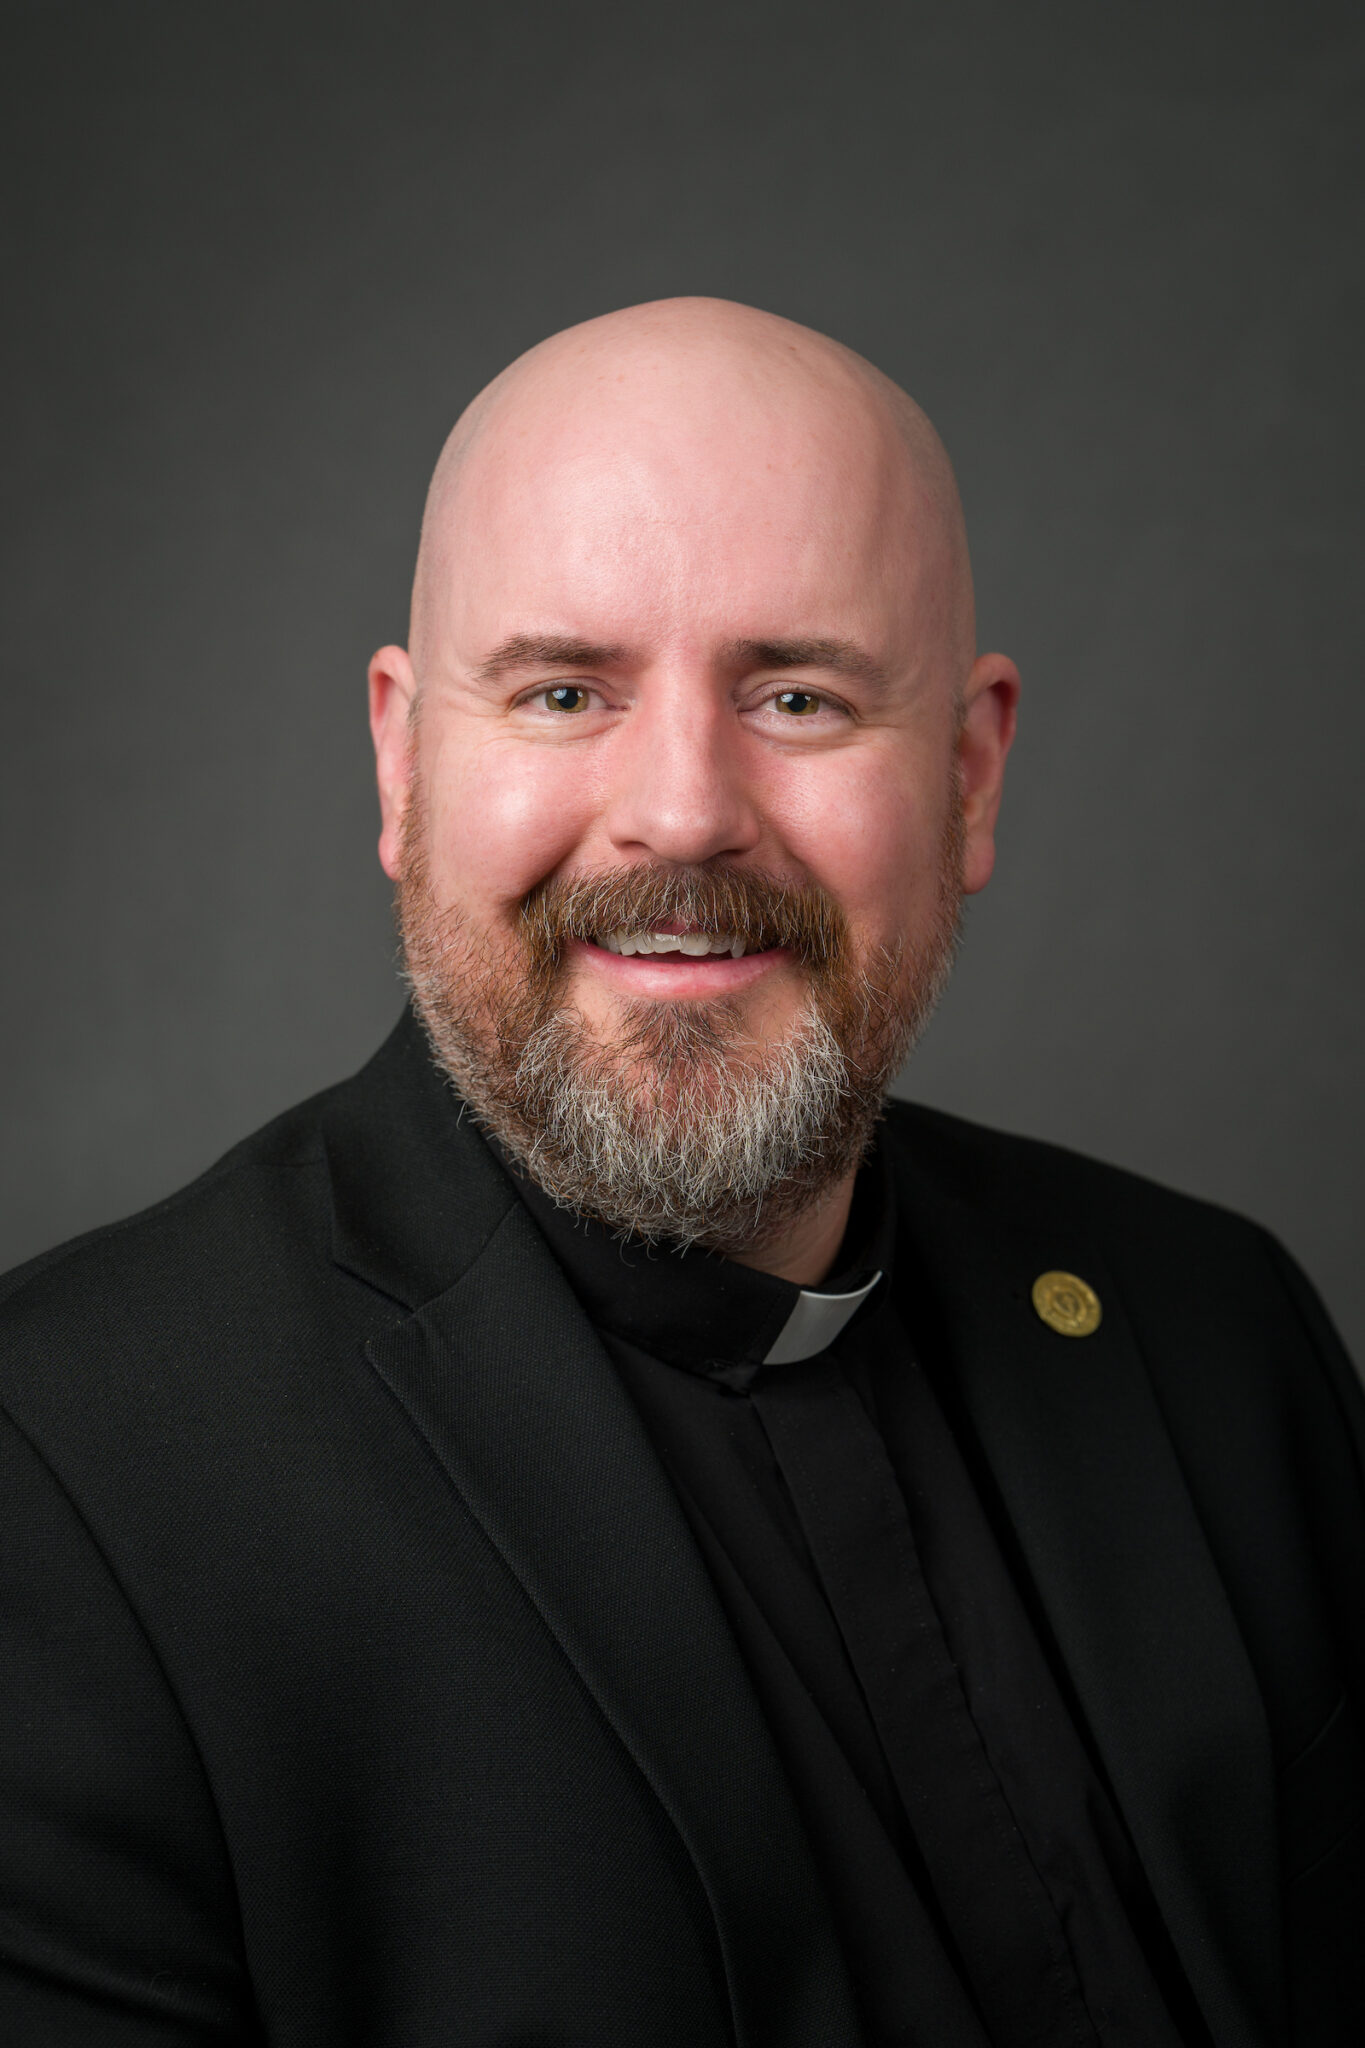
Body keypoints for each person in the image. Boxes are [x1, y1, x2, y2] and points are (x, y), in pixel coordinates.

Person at [0, 298, 1360, 2048]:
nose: (683, 812)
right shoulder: (58, 1479)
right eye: (564, 692)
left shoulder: (1217, 1332)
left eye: (797, 696)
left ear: (967, 774)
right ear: (405, 762)